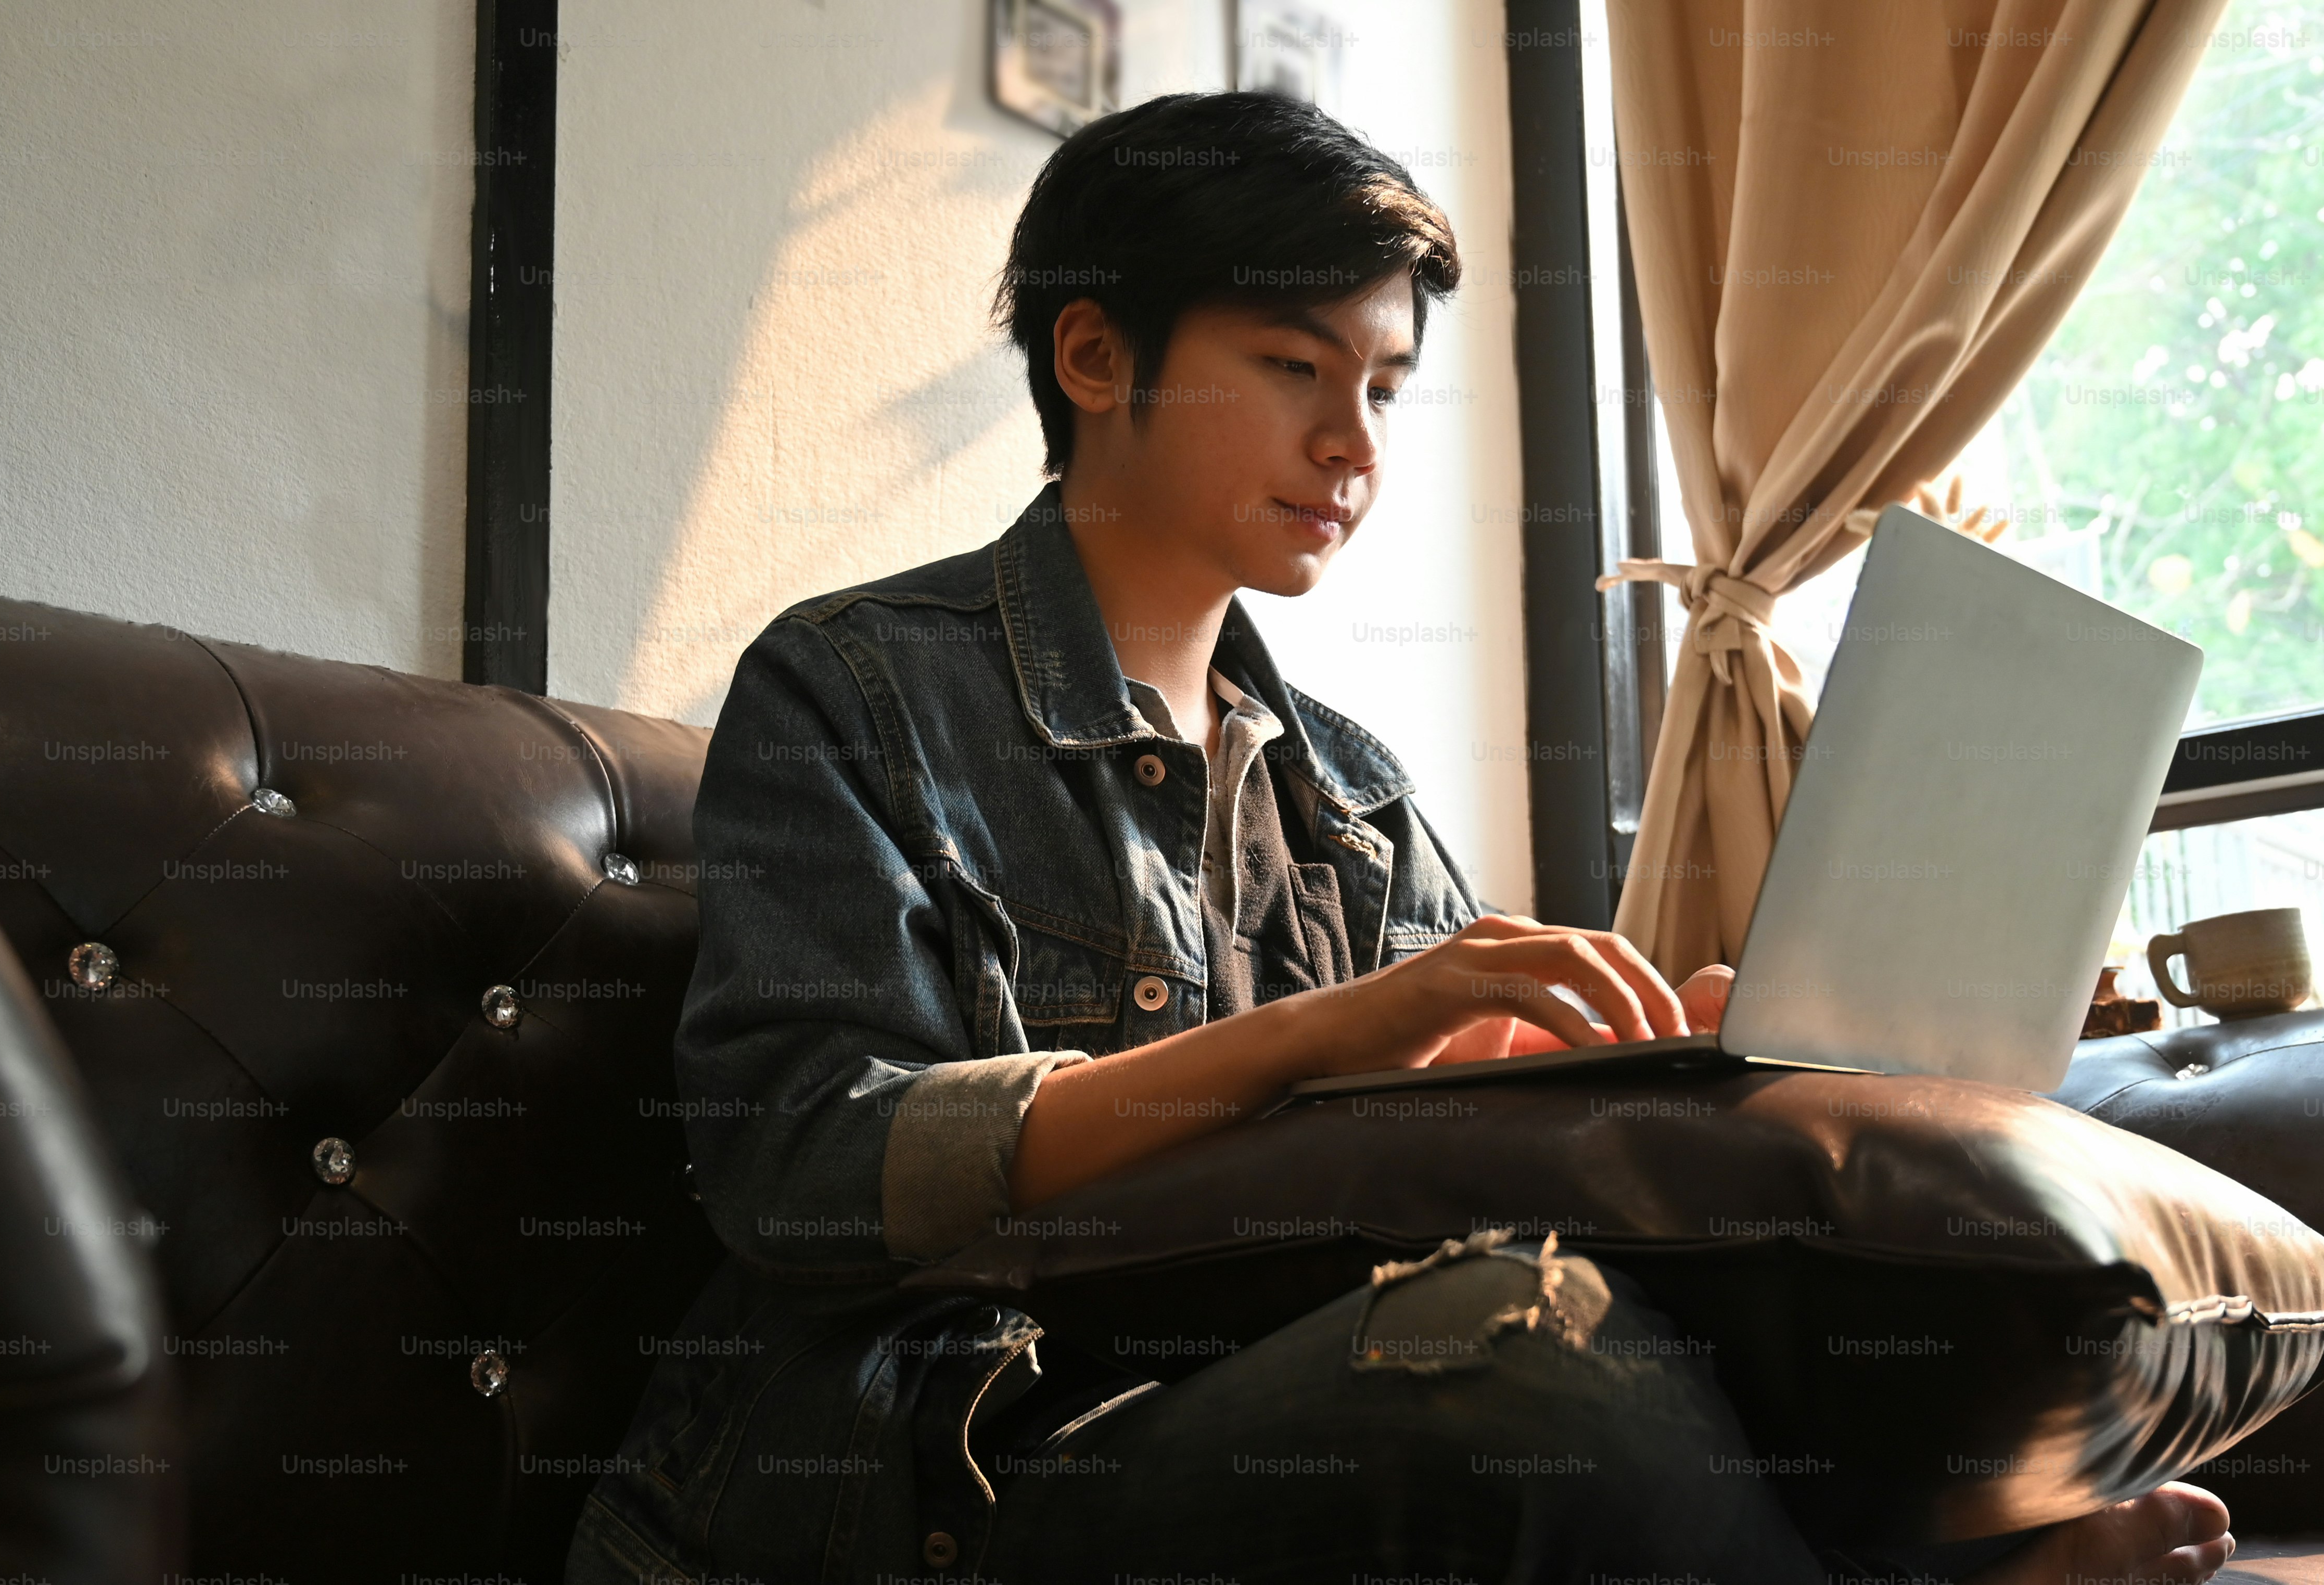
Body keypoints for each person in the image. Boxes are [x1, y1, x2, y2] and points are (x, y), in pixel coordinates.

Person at [567, 91, 2236, 1585]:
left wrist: (1694, 1042)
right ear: (1092, 358)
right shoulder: (856, 685)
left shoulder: (1345, 784)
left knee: (1689, 1315)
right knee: (1515, 1358)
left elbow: (1461, 1117)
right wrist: (1338, 1027)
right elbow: (802, 1166)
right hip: (937, 1457)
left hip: (1235, 1394)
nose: (1355, 445)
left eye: (1380, 386)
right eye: (1294, 369)